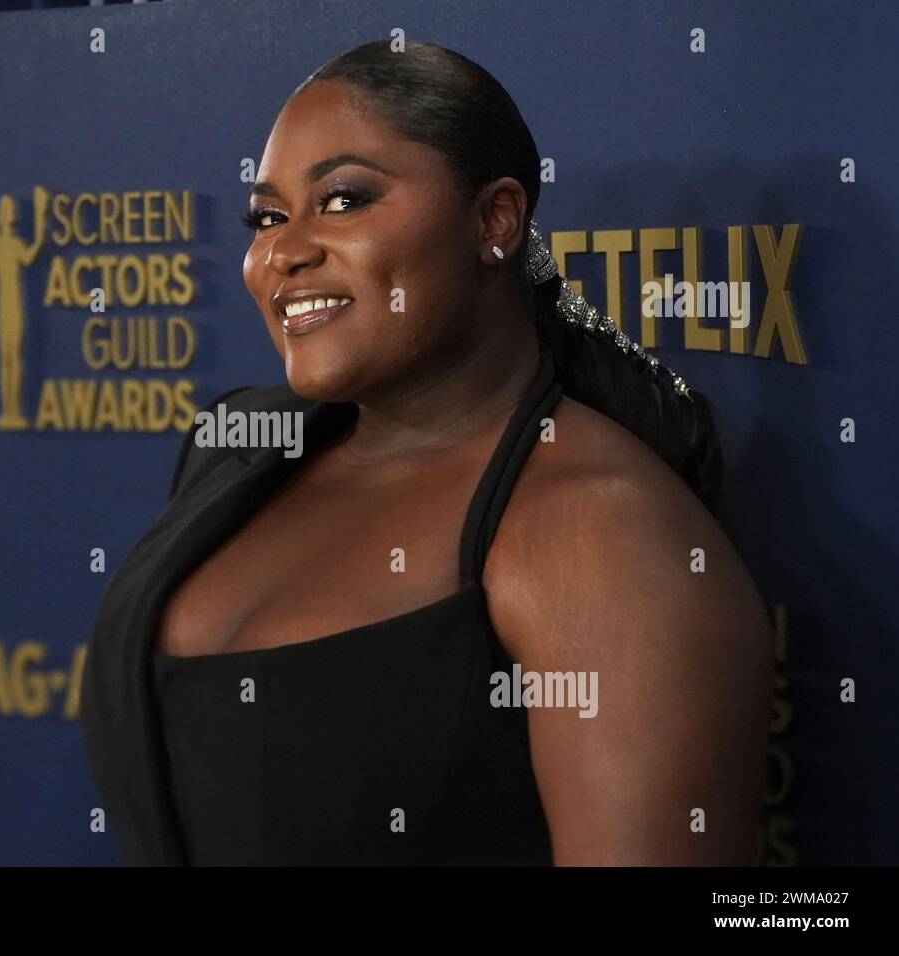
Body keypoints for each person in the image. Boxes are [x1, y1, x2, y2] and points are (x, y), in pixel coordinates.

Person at [79, 41, 773, 866]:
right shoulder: (232, 448)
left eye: (341, 200)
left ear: (495, 221)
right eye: (267, 216)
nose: (284, 252)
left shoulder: (602, 535)